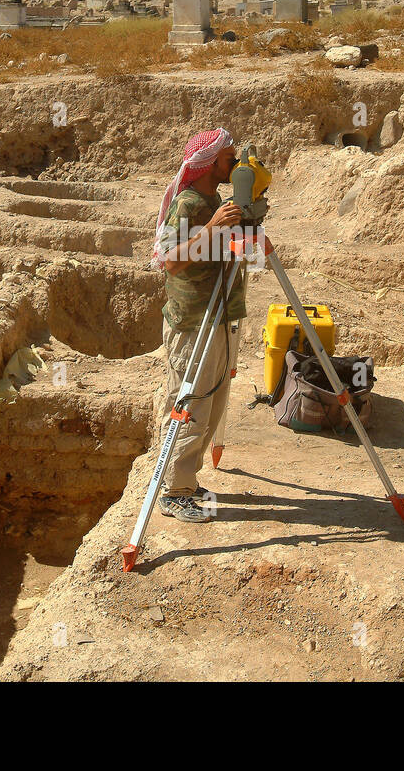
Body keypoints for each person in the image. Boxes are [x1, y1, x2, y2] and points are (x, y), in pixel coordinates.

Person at [151, 128, 245, 523]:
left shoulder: (214, 200)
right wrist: (213, 228)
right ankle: (173, 491)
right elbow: (169, 260)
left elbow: (222, 250)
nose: (236, 165)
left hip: (218, 315)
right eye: (229, 158)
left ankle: (186, 481)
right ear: (208, 164)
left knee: (212, 402)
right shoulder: (190, 205)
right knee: (190, 405)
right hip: (193, 324)